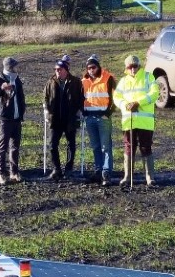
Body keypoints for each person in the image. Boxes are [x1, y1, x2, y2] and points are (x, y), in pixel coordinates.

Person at [112, 54, 160, 187]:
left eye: (135, 66)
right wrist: (124, 105)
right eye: (130, 67)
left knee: (146, 147)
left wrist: (138, 103)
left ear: (139, 66)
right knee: (129, 148)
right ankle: (127, 177)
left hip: (145, 121)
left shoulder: (148, 77)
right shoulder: (123, 81)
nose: (133, 69)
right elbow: (116, 97)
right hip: (129, 120)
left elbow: (154, 93)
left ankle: (150, 177)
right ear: (126, 68)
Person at [42, 57, 84, 181]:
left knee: (71, 144)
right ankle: (56, 169)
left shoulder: (76, 82)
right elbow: (45, 97)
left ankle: (69, 169)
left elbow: (81, 98)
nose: (57, 71)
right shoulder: (51, 82)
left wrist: (79, 110)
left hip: (70, 118)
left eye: (59, 69)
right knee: (52, 145)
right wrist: (46, 109)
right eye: (56, 69)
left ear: (66, 70)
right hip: (55, 119)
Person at [81, 55, 116, 185]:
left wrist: (109, 112)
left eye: (93, 67)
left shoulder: (108, 78)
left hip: (103, 118)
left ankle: (106, 172)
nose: (91, 70)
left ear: (98, 66)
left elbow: (117, 97)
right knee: (96, 147)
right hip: (90, 118)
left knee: (105, 147)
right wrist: (83, 112)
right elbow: (81, 98)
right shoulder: (84, 81)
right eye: (89, 68)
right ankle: (98, 170)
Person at [0, 56, 25, 185]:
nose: (17, 68)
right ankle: (0, 174)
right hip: (4, 119)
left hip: (17, 119)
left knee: (15, 147)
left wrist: (22, 111)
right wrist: (2, 89)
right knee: (2, 147)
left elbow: (21, 96)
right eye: (15, 66)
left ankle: (14, 172)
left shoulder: (17, 79)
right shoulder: (0, 79)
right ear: (10, 67)